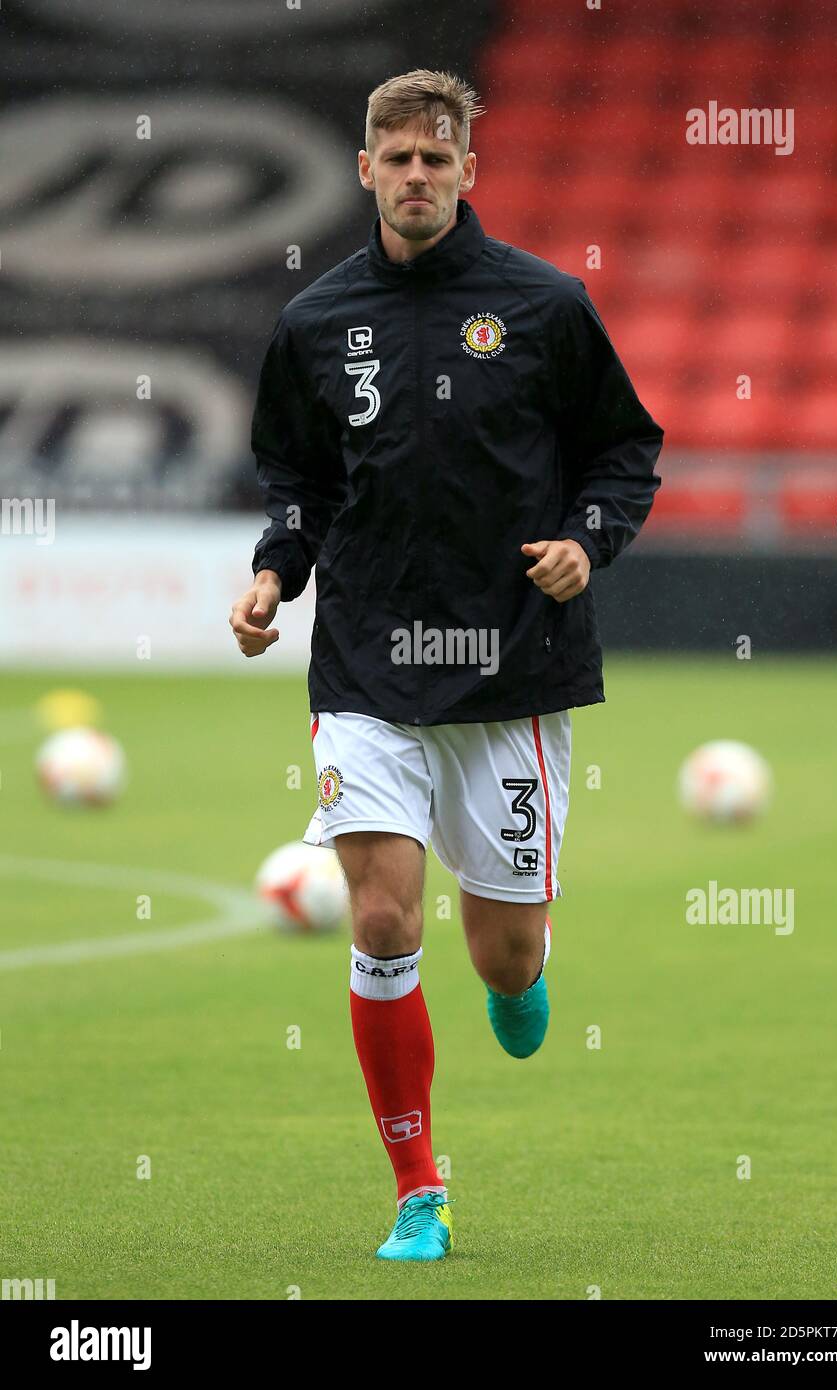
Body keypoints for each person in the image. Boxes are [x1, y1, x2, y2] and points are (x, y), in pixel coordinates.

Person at [230, 68, 663, 1262]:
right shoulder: (314, 321)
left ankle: (521, 975)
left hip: (507, 671)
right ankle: (420, 1188)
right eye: (397, 156)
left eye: (438, 156)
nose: (417, 175)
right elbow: (298, 484)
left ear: (468, 169)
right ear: (364, 167)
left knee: (505, 954)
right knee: (378, 920)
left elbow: (624, 451)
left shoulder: (543, 306)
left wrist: (587, 539)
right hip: (366, 669)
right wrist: (276, 574)